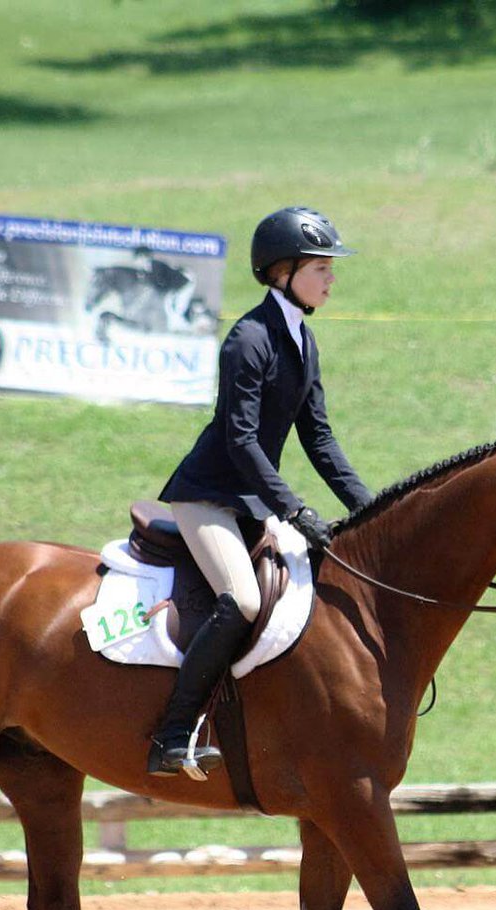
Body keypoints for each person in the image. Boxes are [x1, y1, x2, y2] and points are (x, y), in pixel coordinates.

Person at [148, 206, 374, 779]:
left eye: (329, 268)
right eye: (320, 267)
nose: (330, 278)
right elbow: (241, 441)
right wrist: (292, 508)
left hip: (249, 500)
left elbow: (319, 438)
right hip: (207, 496)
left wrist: (369, 509)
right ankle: (172, 736)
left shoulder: (303, 339)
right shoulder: (249, 339)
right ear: (283, 271)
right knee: (244, 602)